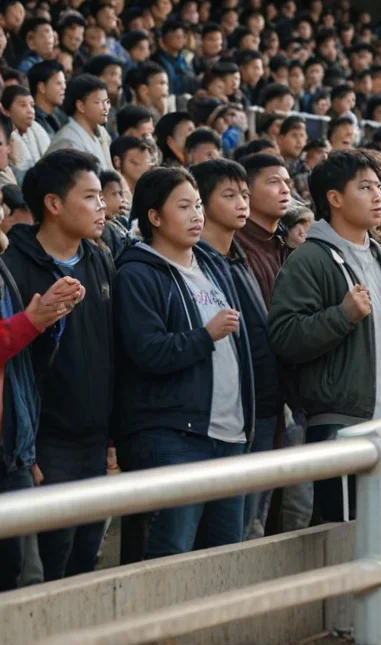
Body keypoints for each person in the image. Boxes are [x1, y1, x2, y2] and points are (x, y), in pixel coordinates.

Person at [268, 149, 381, 523]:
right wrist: (343, 315)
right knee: (344, 541)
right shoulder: (309, 259)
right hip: (340, 427)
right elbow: (284, 336)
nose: (377, 196)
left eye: (377, 186)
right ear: (335, 199)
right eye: (365, 187)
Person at [113, 167, 254, 558]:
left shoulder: (212, 265)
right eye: (183, 206)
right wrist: (204, 335)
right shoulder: (137, 274)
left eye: (197, 206)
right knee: (168, 557)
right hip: (172, 435)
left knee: (225, 557)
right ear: (154, 217)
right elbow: (146, 351)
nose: (196, 215)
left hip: (229, 435)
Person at [3, 150, 112, 580]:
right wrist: (25, 448)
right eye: (90, 196)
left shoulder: (99, 258)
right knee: (47, 569)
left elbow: (111, 350)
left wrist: (114, 435)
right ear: (53, 204)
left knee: (86, 560)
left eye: (102, 196)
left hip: (96, 437)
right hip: (43, 444)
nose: (102, 206)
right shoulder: (13, 268)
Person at [192, 158, 282, 539]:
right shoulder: (195, 261)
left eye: (244, 194)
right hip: (212, 418)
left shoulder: (238, 259)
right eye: (230, 195)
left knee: (246, 528)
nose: (242, 203)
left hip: (257, 407)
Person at [0, 269, 83, 592]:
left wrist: (50, 317)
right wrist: (32, 321)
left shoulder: (5, 269)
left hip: (13, 451)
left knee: (25, 577)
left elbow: (25, 367)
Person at [236, 152, 291, 305]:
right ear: (247, 191)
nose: (285, 189)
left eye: (287, 182)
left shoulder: (287, 241)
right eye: (273, 182)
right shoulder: (236, 247)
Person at [45, 74, 113, 170]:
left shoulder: (95, 135)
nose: (105, 108)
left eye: (106, 102)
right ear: (81, 106)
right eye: (98, 102)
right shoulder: (68, 141)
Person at [2, 84, 49, 178]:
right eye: (23, 105)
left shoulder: (36, 128)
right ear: (6, 111)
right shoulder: (4, 136)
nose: (30, 110)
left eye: (32, 105)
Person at [28, 61, 68, 139]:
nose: (64, 87)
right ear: (42, 87)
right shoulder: (33, 121)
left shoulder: (60, 115)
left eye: (64, 83)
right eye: (59, 83)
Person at [98, 170, 129, 255]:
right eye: (115, 194)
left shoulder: (119, 221)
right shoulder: (103, 229)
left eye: (121, 194)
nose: (121, 199)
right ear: (101, 196)